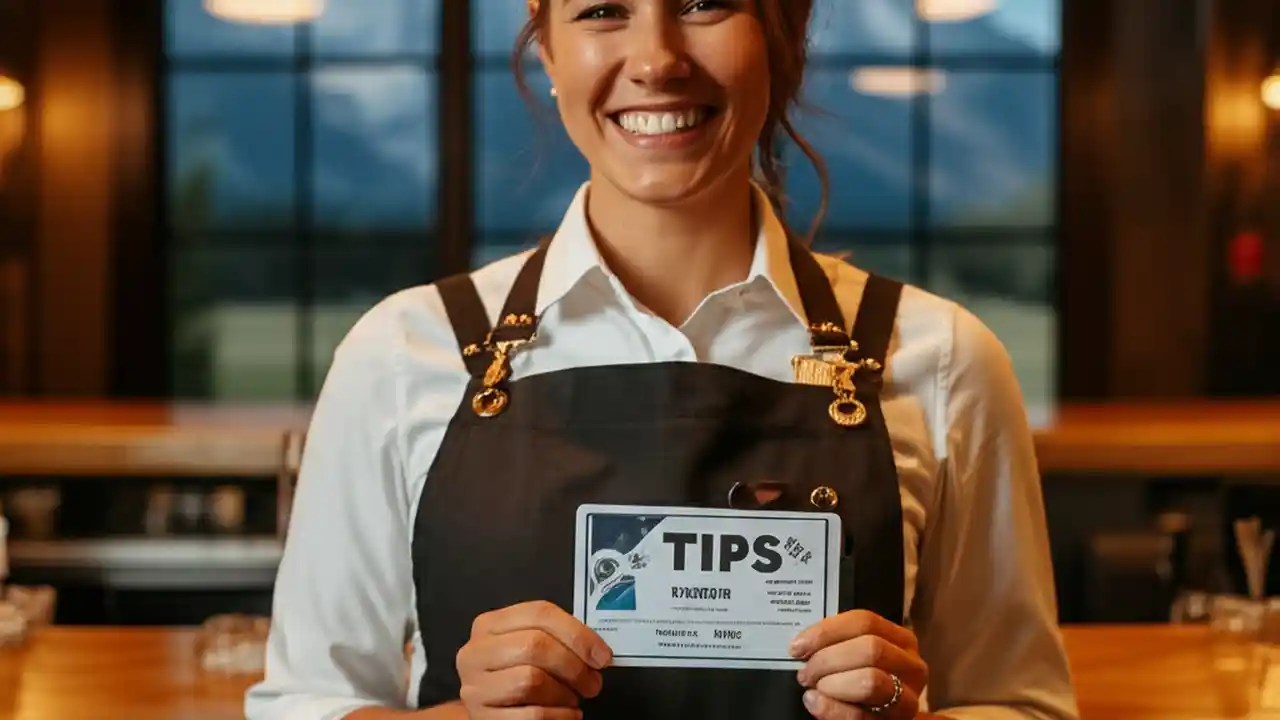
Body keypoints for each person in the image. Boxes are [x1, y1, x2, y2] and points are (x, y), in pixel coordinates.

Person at [246, 1, 1079, 718]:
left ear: (781, 37)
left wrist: (908, 713)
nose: (655, 59)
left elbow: (1023, 702)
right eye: (602, 10)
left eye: (704, 3)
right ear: (548, 51)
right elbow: (304, 700)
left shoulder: (942, 360)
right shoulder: (400, 353)